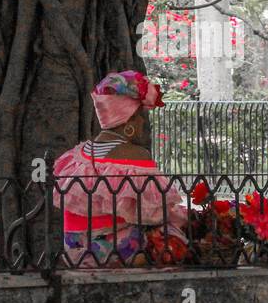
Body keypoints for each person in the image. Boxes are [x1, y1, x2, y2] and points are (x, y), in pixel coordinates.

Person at [53, 71, 189, 268]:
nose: (143, 123)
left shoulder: (75, 157)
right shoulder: (135, 156)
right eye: (140, 116)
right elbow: (154, 214)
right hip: (114, 251)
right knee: (173, 231)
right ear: (129, 122)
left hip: (74, 250)